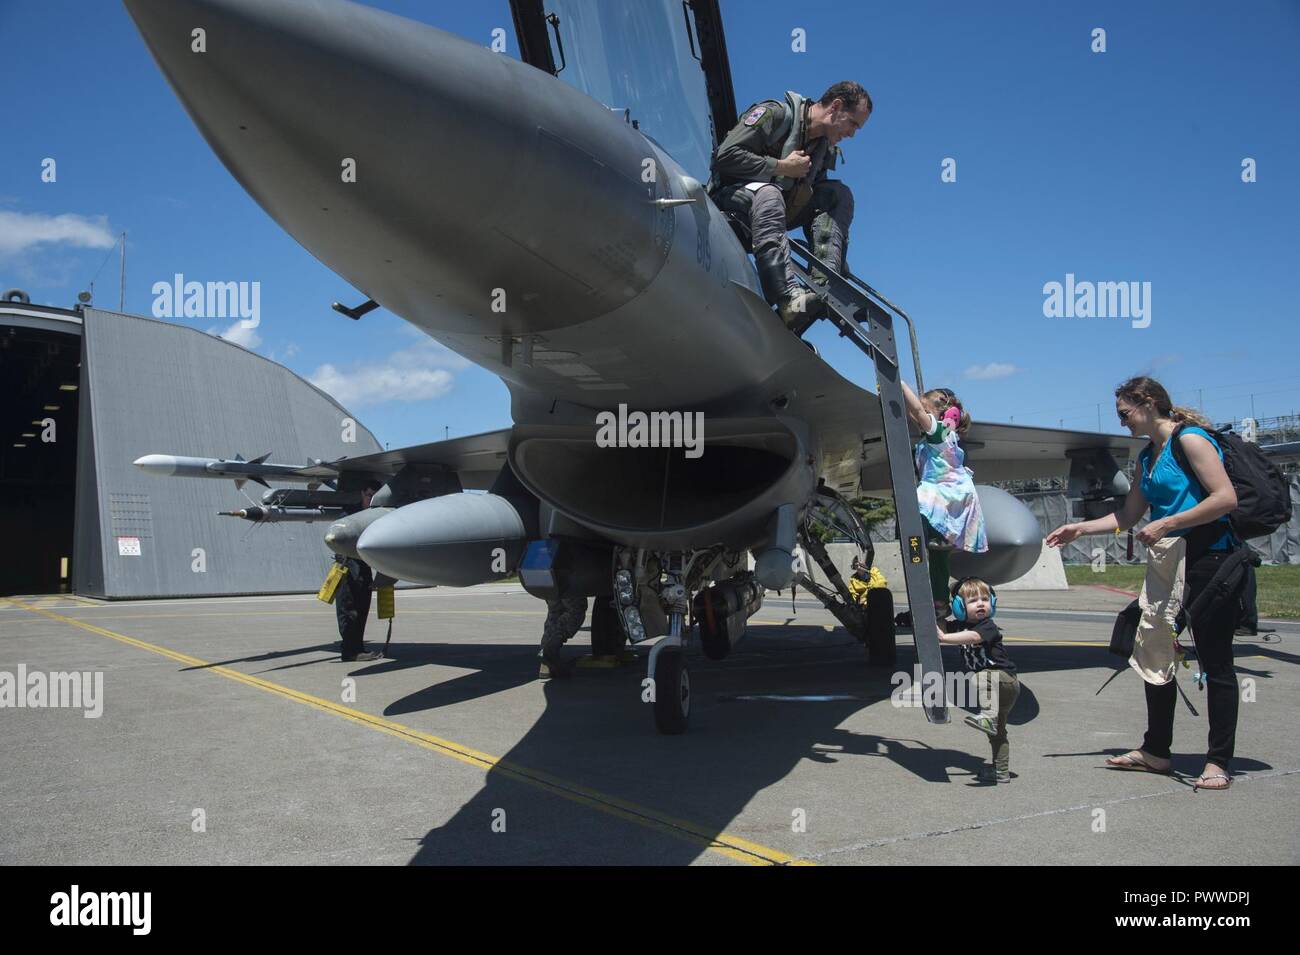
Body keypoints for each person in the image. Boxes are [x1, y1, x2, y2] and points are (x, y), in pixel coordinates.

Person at [1046, 376, 1243, 791]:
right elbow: (1127, 516)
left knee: (1215, 660)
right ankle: (1157, 751)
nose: (1122, 423)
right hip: (1168, 563)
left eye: (1125, 413)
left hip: (1210, 559)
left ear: (1149, 403)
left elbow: (1225, 498)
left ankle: (1218, 761)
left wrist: (1169, 521)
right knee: (1154, 655)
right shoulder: (1148, 456)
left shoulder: (1191, 441)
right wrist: (1080, 529)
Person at [709, 80, 872, 333]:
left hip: (774, 213)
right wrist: (780, 167)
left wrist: (836, 258)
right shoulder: (774, 114)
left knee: (837, 195)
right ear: (836, 107)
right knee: (770, 193)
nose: (852, 133)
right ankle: (787, 300)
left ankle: (824, 284)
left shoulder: (822, 148)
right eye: (852, 123)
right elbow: (725, 157)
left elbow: (819, 207)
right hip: (732, 203)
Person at [900, 380, 988, 617]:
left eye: (926, 411)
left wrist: (896, 381)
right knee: (939, 558)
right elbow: (914, 412)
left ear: (937, 415)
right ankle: (939, 600)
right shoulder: (949, 437)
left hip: (939, 497)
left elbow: (917, 412)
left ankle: (936, 598)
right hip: (951, 497)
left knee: (915, 529)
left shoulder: (937, 434)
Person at [937, 577, 1019, 783]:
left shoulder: (987, 626)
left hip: (1004, 679)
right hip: (994, 686)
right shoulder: (959, 626)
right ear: (960, 607)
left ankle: (988, 717)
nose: (981, 603)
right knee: (997, 734)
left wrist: (944, 639)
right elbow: (943, 627)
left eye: (985, 599)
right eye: (973, 601)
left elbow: (973, 637)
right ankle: (1001, 771)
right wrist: (939, 613)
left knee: (978, 677)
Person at [335, 481, 383, 663]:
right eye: (369, 495)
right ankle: (350, 651)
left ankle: (358, 648)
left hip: (363, 567)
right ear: (362, 493)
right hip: (348, 566)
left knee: (362, 608)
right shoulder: (350, 515)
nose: (371, 499)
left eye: (375, 496)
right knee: (349, 609)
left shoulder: (371, 515)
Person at [538, 596, 588, 680]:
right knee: (576, 610)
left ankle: (545, 662)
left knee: (555, 611)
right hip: (568, 584)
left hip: (548, 584)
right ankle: (550, 648)